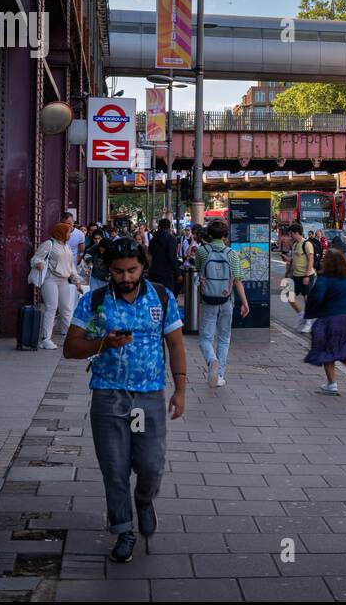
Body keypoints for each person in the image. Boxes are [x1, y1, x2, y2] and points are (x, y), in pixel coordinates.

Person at [63, 238, 187, 563]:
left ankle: (144, 500)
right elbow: (71, 347)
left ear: (143, 267)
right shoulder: (97, 303)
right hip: (108, 395)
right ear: (110, 271)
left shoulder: (161, 297)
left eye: (132, 269)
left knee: (151, 465)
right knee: (114, 468)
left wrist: (181, 389)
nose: (126, 277)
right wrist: (102, 343)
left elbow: (175, 345)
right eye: (119, 271)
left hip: (149, 396)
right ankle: (123, 530)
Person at [195, 220, 250, 388]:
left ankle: (212, 361)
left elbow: (198, 271)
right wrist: (245, 303)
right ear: (226, 236)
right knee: (224, 338)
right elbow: (238, 281)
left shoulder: (202, 251)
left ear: (209, 235)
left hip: (208, 300)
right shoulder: (232, 253)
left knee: (205, 338)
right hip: (227, 300)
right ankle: (219, 376)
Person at [304, 248, 346, 396]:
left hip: (331, 319)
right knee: (343, 348)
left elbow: (317, 296)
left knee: (327, 351)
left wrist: (313, 309)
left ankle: (332, 384)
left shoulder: (325, 278)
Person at [31, 222, 81, 350]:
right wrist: (38, 263)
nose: (70, 234)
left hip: (63, 280)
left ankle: (68, 336)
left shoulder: (67, 246)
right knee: (51, 307)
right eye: (68, 232)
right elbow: (35, 258)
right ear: (61, 233)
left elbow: (71, 267)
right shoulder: (49, 244)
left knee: (65, 308)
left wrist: (77, 281)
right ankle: (45, 339)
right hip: (50, 280)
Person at [286, 222, 316, 333]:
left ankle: (308, 322)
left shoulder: (306, 244)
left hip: (306, 275)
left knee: (306, 299)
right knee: (289, 297)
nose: (290, 236)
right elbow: (294, 260)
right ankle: (302, 316)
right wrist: (287, 263)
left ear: (296, 233)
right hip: (295, 276)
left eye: (291, 234)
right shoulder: (294, 245)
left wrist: (307, 275)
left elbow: (311, 260)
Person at [147, 218, 180, 295]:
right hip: (166, 274)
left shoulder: (153, 238)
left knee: (156, 295)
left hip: (154, 272)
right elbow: (172, 257)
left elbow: (149, 254)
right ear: (169, 227)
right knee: (167, 295)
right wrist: (178, 273)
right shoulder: (171, 238)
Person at [84, 229, 110, 294]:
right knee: (93, 294)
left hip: (106, 280)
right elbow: (87, 255)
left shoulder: (113, 252)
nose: (101, 252)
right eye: (100, 250)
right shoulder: (95, 247)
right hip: (94, 277)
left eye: (103, 251)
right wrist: (89, 261)